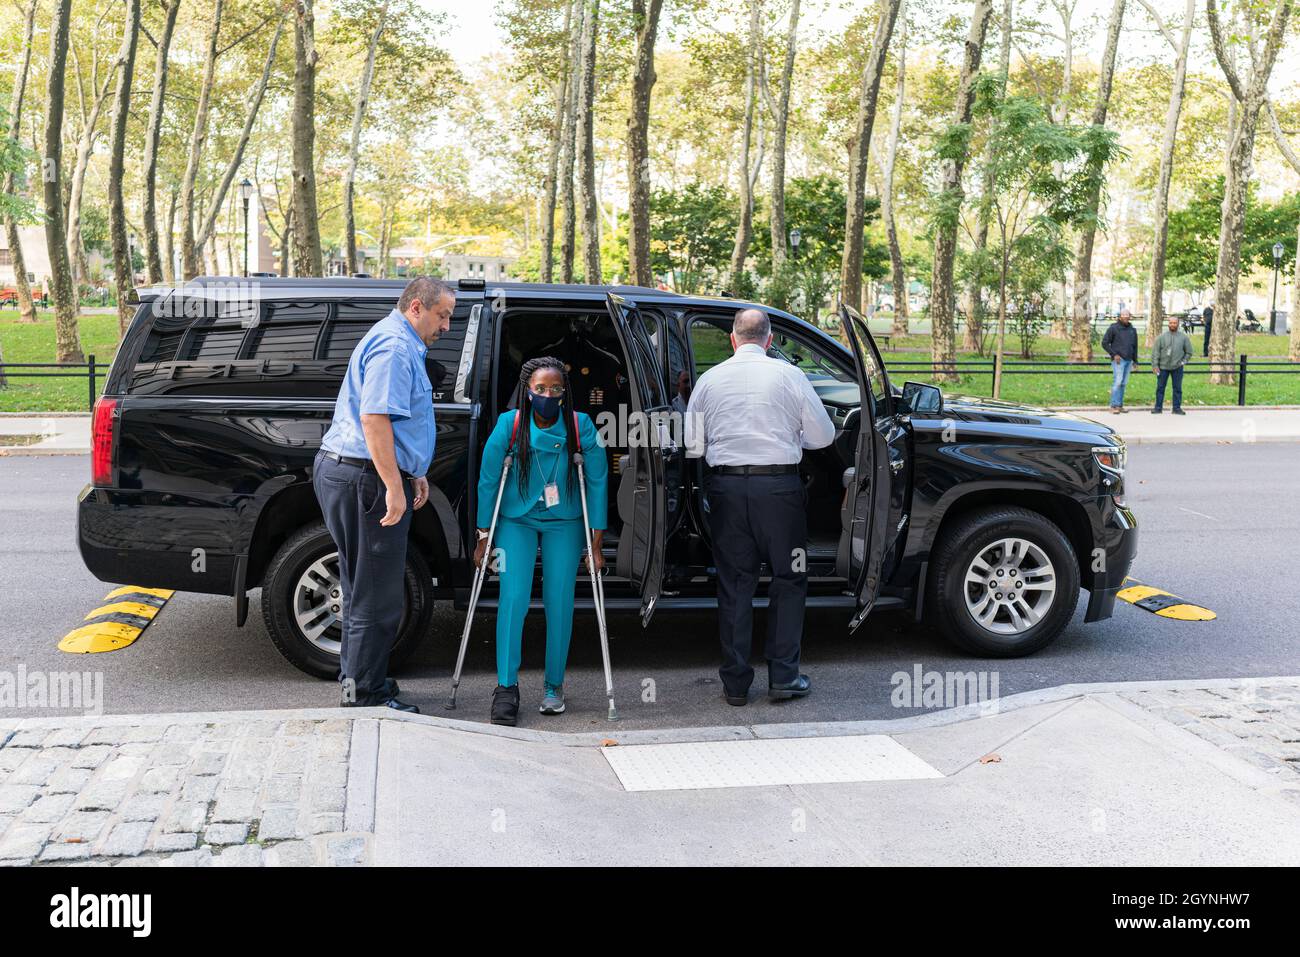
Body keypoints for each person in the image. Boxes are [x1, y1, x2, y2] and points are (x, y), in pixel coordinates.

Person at [313, 276, 455, 712]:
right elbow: (375, 419)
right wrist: (394, 484)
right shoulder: (395, 348)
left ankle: (363, 683)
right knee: (377, 597)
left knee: (364, 590)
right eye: (443, 315)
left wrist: (412, 471)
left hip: (358, 473)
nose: (447, 326)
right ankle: (366, 697)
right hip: (365, 479)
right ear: (417, 306)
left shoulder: (398, 341)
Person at [684, 308, 836, 706]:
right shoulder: (790, 376)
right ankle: (784, 677)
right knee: (790, 578)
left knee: (734, 584)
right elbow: (822, 438)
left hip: (727, 491)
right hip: (780, 491)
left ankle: (735, 684)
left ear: (733, 340)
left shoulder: (709, 380)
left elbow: (693, 445)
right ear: (770, 341)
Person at [474, 356, 608, 726]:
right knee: (513, 597)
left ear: (565, 393)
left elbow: (596, 485)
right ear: (528, 391)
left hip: (563, 521)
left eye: (556, 389)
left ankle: (553, 685)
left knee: (559, 600)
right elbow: (488, 482)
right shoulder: (509, 425)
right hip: (515, 519)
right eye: (540, 389)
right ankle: (505, 687)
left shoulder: (580, 427)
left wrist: (595, 545)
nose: (548, 395)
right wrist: (483, 536)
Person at [1151, 314, 1193, 415]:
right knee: (1160, 388)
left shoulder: (1184, 338)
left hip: (1177, 367)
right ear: (1168, 324)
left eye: (1175, 323)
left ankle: (1176, 408)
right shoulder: (1161, 337)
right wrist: (1155, 365)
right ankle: (1158, 408)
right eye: (1171, 323)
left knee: (1177, 388)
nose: (1173, 324)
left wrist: (1183, 362)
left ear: (1178, 324)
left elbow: (1189, 352)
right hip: (1162, 367)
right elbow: (1155, 352)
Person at [1101, 309, 1138, 414]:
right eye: (1124, 315)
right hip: (1119, 360)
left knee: (1123, 383)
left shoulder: (1132, 330)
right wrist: (1114, 354)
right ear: (1120, 316)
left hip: (1128, 360)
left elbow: (1134, 347)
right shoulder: (1113, 328)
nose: (1126, 316)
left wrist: (1135, 361)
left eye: (1127, 314)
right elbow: (1104, 343)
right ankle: (1113, 406)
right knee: (1117, 382)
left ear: (1130, 316)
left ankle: (1119, 405)